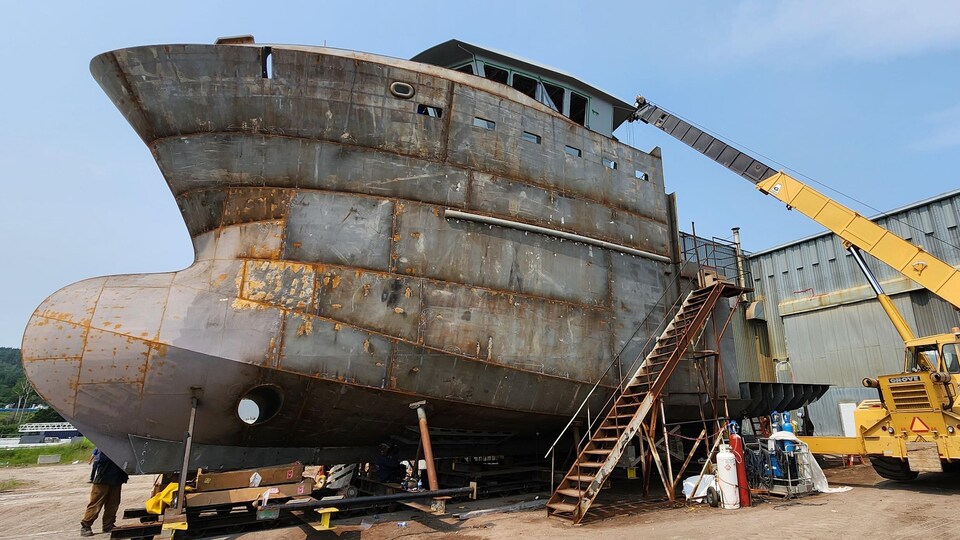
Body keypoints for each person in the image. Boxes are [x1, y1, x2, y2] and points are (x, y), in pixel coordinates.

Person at [80, 451, 128, 537]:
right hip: (103, 478)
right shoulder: (105, 447)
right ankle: (86, 526)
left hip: (117, 478)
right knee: (96, 504)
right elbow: (99, 460)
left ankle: (108, 525)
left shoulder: (122, 447)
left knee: (113, 504)